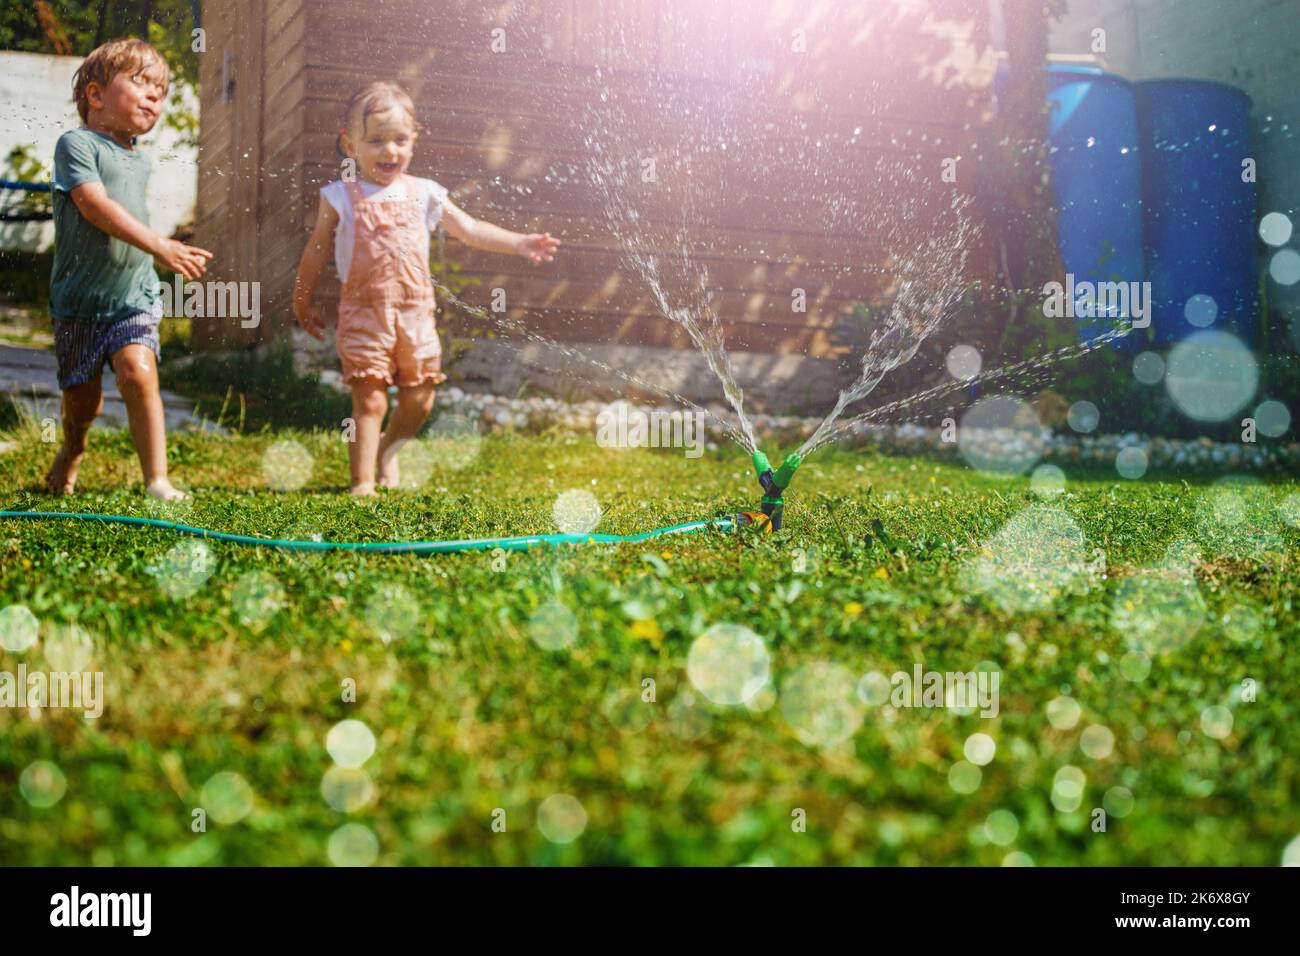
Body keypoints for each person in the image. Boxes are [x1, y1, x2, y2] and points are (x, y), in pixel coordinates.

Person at [293, 81, 560, 496]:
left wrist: (519, 243)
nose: (390, 151)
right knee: (371, 401)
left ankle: (387, 452)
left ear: (415, 140)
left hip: (416, 314)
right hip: (364, 314)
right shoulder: (340, 197)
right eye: (377, 141)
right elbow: (315, 250)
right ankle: (362, 483)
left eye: (400, 140)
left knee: (420, 400)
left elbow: (469, 229)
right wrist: (301, 297)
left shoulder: (424, 194)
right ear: (351, 145)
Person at [44, 38, 212, 499]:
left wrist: (158, 254)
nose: (155, 96)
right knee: (84, 402)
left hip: (133, 296)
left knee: (139, 371)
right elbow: (95, 207)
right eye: (141, 83)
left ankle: (156, 479)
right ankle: (72, 449)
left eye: (161, 89)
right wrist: (161, 245)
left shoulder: (141, 157)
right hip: (79, 301)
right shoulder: (76, 145)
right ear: (96, 96)